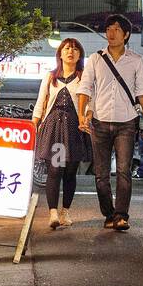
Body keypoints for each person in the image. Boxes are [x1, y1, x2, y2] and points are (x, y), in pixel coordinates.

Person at [75, 14, 143, 231]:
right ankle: (109, 213)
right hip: (99, 121)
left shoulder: (136, 60)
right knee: (101, 175)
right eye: (109, 29)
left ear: (126, 34)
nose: (111, 33)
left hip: (127, 122)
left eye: (117, 29)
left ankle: (121, 215)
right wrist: (82, 113)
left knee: (124, 171)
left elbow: (142, 90)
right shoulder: (96, 59)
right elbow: (86, 87)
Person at [32, 38, 93, 229]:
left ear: (80, 55)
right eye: (67, 48)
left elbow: (90, 103)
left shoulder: (84, 77)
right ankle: (52, 213)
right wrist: (34, 124)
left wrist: (87, 118)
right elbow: (41, 101)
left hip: (74, 129)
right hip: (55, 129)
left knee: (70, 173)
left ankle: (65, 211)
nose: (70, 52)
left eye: (75, 49)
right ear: (60, 53)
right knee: (55, 170)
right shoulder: (51, 77)